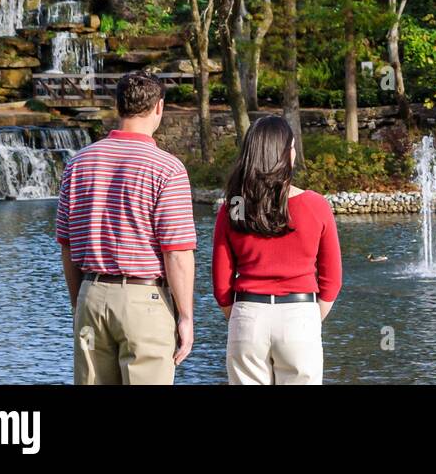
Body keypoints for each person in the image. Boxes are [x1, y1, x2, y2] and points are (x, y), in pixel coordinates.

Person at [56, 71, 196, 385]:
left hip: (91, 295)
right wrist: (186, 317)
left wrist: (79, 301)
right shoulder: (167, 168)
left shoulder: (77, 164)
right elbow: (176, 252)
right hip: (143, 301)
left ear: (117, 107)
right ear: (159, 107)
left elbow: (66, 244)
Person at [212, 116, 342, 385]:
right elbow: (332, 279)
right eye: (292, 147)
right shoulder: (316, 205)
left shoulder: (234, 207)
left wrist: (241, 314)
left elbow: (221, 282)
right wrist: (309, 318)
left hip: (248, 313)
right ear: (285, 154)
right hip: (299, 314)